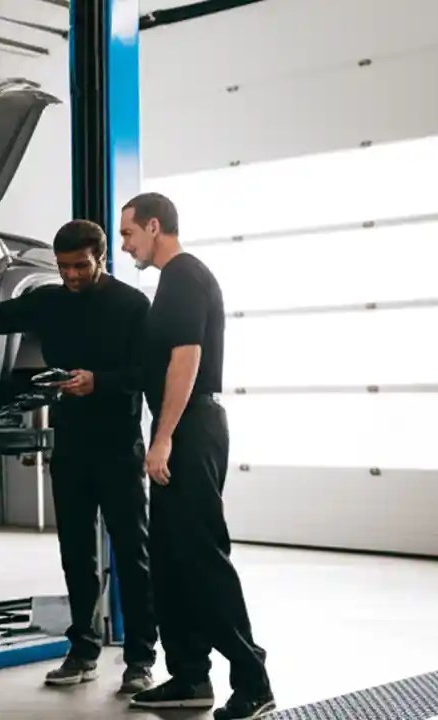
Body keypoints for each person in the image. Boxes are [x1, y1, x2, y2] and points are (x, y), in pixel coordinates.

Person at [0, 219, 158, 695]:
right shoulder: (49, 299)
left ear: (101, 259)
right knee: (75, 551)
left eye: (80, 266)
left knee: (133, 552)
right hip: (71, 442)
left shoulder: (131, 305)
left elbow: (147, 371)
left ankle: (141, 659)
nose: (70, 275)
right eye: (64, 266)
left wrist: (99, 382)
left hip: (119, 444)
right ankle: (83, 649)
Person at [118, 193, 275, 719]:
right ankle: (189, 675)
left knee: (201, 557)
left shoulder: (184, 275)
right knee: (168, 559)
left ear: (154, 226)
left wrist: (163, 437)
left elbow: (187, 360)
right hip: (180, 428)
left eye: (129, 234)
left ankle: (253, 680)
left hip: (191, 429)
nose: (125, 244)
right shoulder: (172, 280)